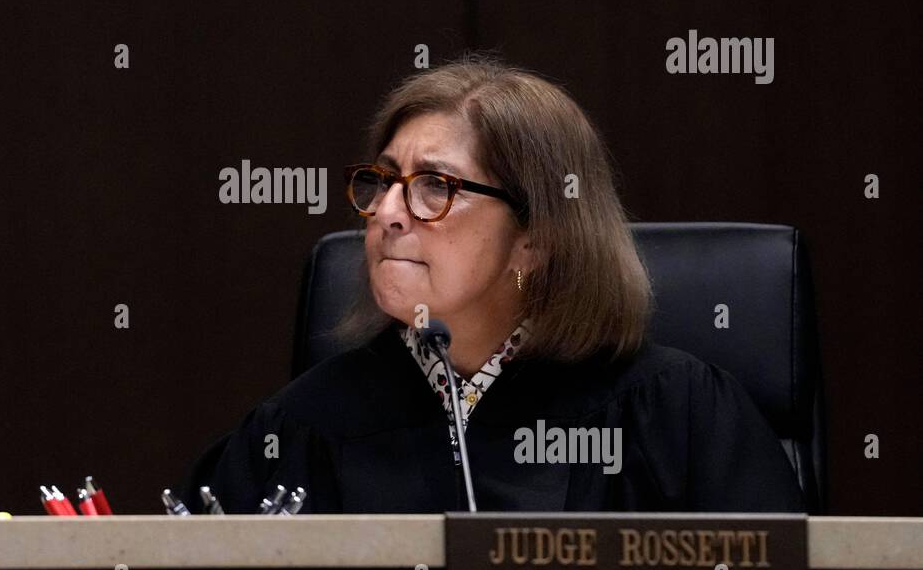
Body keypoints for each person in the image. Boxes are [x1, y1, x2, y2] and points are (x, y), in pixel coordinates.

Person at [174, 52, 807, 515]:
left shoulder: (679, 416)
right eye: (384, 180)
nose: (388, 212)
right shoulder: (300, 427)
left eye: (434, 187)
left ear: (536, 236)